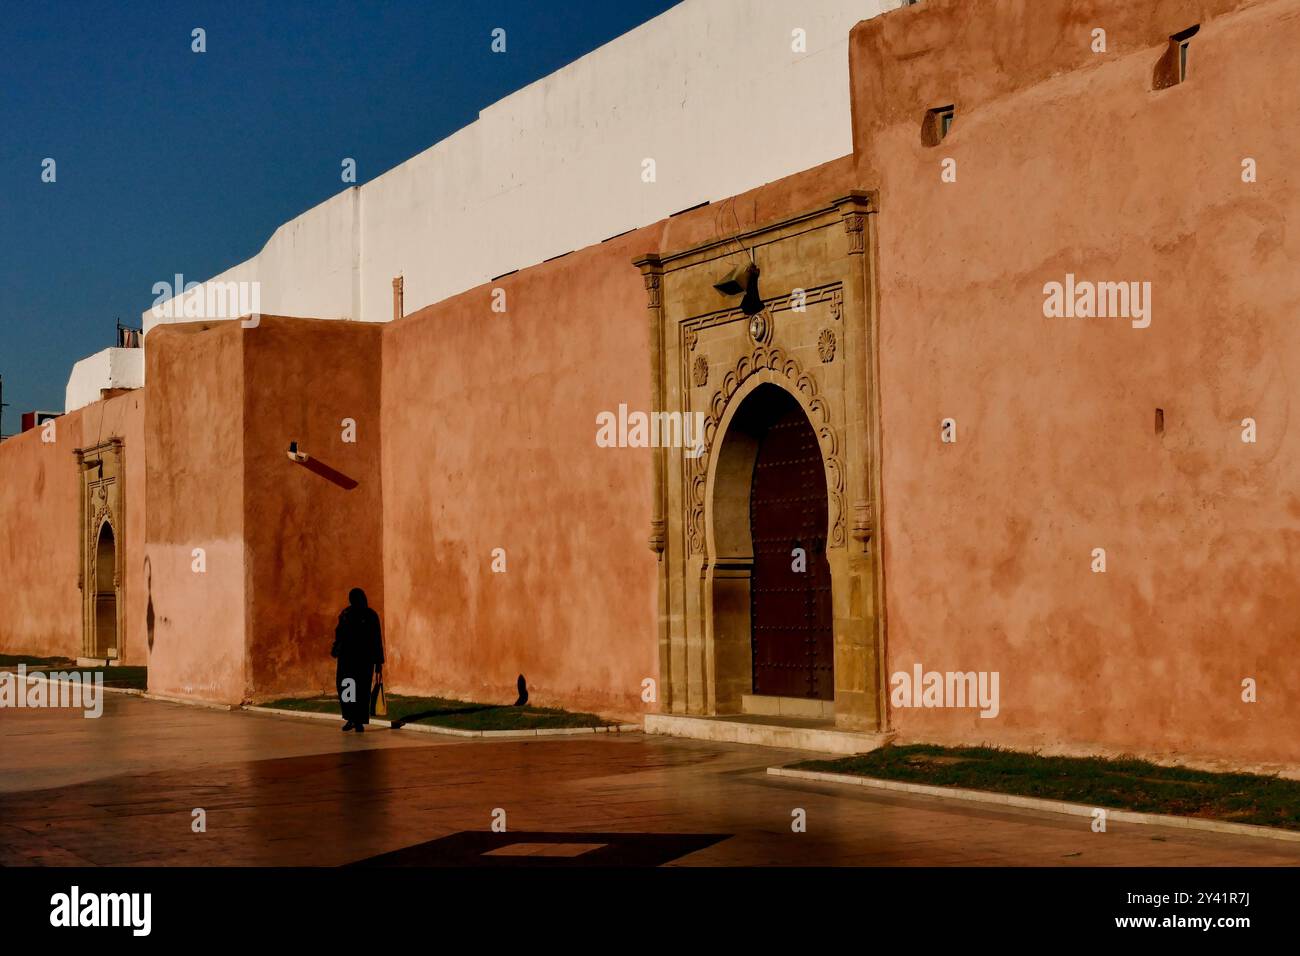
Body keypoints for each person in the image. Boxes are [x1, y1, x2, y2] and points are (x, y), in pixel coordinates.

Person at [331, 588, 384, 732]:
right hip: (348, 659)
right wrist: (337, 649)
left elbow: (376, 639)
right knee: (348, 689)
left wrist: (379, 663)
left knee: (360, 690)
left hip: (363, 660)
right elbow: (339, 633)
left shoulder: (370, 615)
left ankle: (358, 720)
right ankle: (351, 718)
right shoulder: (346, 614)